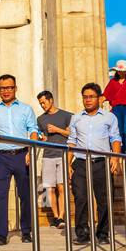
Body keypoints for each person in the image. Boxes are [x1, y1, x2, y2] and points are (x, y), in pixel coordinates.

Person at [0, 74, 40, 245]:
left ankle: (26, 231)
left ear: (15, 88)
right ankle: (1, 234)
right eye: (2, 88)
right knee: (0, 195)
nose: (6, 91)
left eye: (9, 87)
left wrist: (30, 151)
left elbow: (33, 130)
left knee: (24, 195)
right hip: (1, 157)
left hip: (21, 155)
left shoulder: (26, 109)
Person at [67, 82, 122, 245]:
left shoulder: (109, 117)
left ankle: (103, 233)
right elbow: (72, 141)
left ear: (99, 98)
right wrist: (67, 163)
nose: (88, 100)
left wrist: (115, 157)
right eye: (85, 97)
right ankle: (82, 233)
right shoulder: (76, 118)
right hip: (81, 163)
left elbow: (115, 138)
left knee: (104, 199)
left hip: (101, 163)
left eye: (91, 97)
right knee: (80, 198)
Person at [36, 91, 73, 229]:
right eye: (40, 103)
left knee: (62, 187)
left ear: (51, 100)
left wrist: (57, 130)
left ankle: (62, 216)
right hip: (48, 156)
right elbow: (40, 135)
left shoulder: (67, 115)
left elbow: (72, 133)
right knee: (48, 188)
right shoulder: (40, 119)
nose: (42, 105)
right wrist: (41, 138)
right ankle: (56, 217)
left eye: (43, 102)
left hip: (63, 154)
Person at [102, 60, 126, 156]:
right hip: (117, 108)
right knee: (119, 131)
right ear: (116, 71)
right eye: (119, 71)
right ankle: (121, 152)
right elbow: (105, 95)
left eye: (123, 71)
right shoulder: (113, 82)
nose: (121, 72)